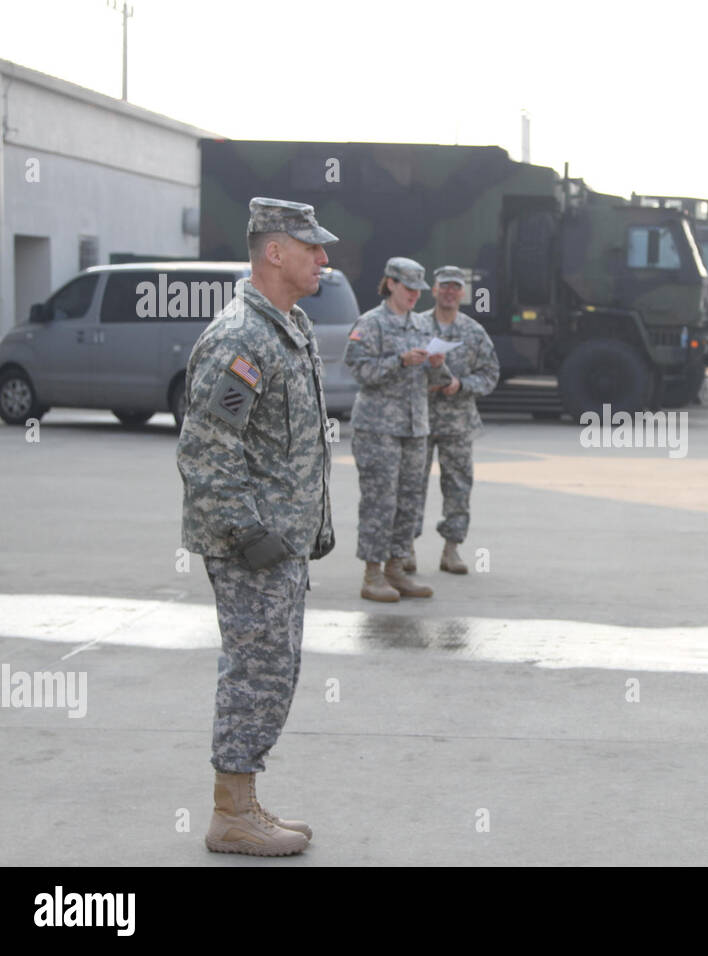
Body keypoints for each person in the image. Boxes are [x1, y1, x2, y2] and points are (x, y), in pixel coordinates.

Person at [177, 197, 338, 856]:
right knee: (255, 674)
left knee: (276, 671)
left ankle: (242, 801)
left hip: (282, 539)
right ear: (276, 252)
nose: (324, 258)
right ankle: (231, 814)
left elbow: (291, 445)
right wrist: (249, 534)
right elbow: (206, 446)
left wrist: (314, 525)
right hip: (253, 545)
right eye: (312, 248)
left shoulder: (286, 326)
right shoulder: (242, 337)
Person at [345, 258, 448, 601]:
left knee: (409, 501)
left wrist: (436, 366)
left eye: (418, 291)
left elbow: (435, 382)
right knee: (380, 501)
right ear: (390, 284)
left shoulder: (421, 325)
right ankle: (372, 574)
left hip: (414, 426)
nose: (414, 297)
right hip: (378, 428)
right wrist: (399, 361)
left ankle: (397, 568)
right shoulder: (370, 323)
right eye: (408, 289)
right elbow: (359, 371)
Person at [404, 266, 500, 575]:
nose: (449, 292)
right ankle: (405, 549)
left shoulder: (473, 332)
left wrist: (462, 385)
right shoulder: (416, 326)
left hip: (457, 423)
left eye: (455, 287)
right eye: (444, 286)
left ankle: (451, 549)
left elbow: (490, 374)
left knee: (458, 485)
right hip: (419, 419)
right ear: (434, 290)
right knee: (411, 485)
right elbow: (401, 366)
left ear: (462, 293)